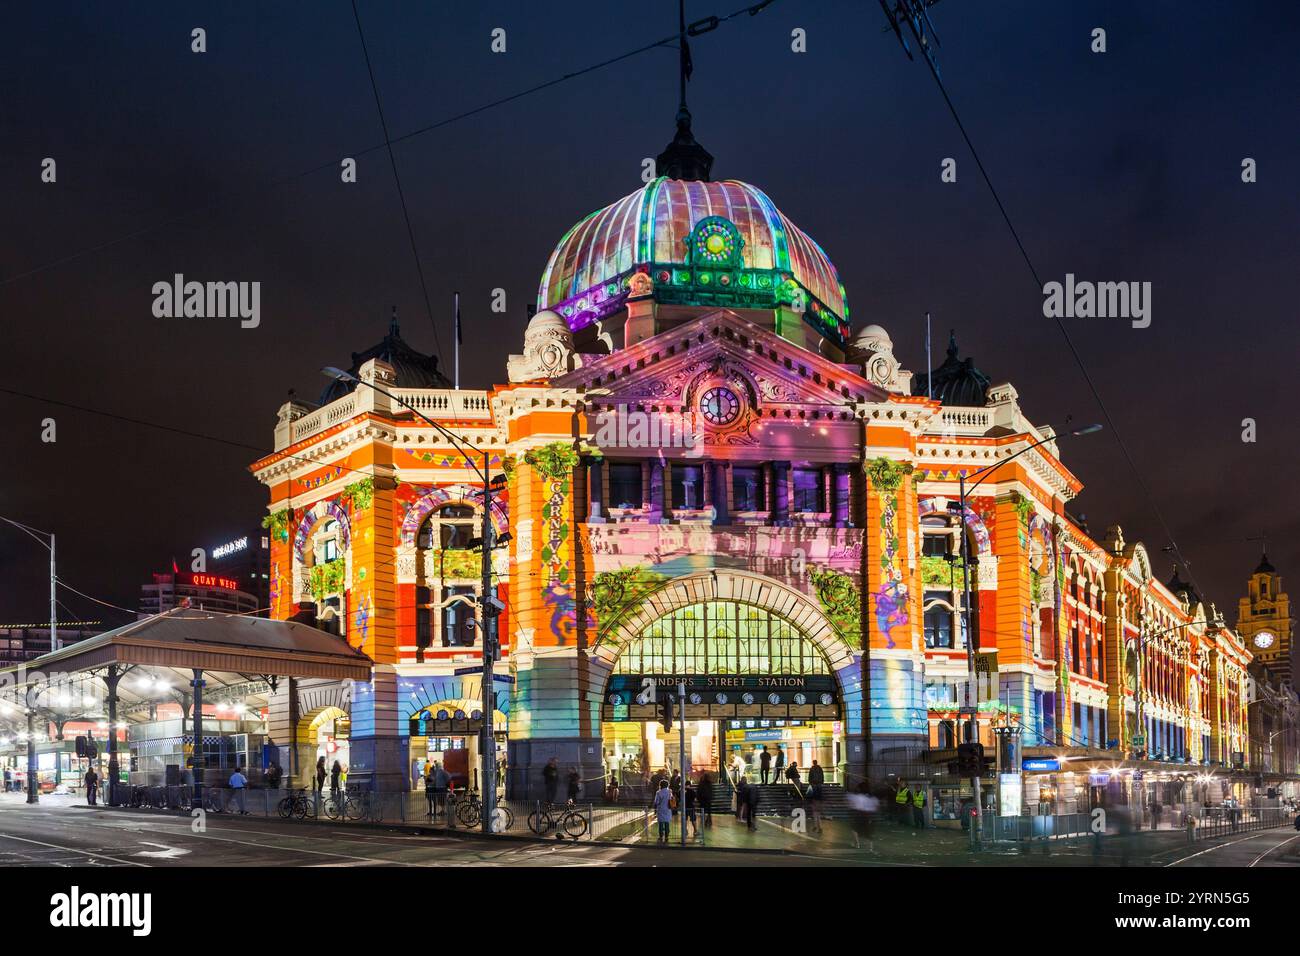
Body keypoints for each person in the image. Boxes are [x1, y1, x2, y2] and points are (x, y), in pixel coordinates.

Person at [652, 778, 674, 843]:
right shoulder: (670, 791)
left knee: (661, 824)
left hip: (661, 809)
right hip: (668, 809)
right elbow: (671, 799)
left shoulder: (658, 792)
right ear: (667, 785)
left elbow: (656, 802)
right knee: (667, 823)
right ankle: (667, 836)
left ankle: (661, 836)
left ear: (660, 785)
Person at [807, 760, 825, 833]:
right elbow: (822, 775)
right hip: (818, 784)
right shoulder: (819, 768)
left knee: (815, 815)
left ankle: (816, 827)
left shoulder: (812, 769)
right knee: (817, 815)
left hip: (814, 784)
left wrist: (810, 782)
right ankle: (817, 827)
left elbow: (810, 776)